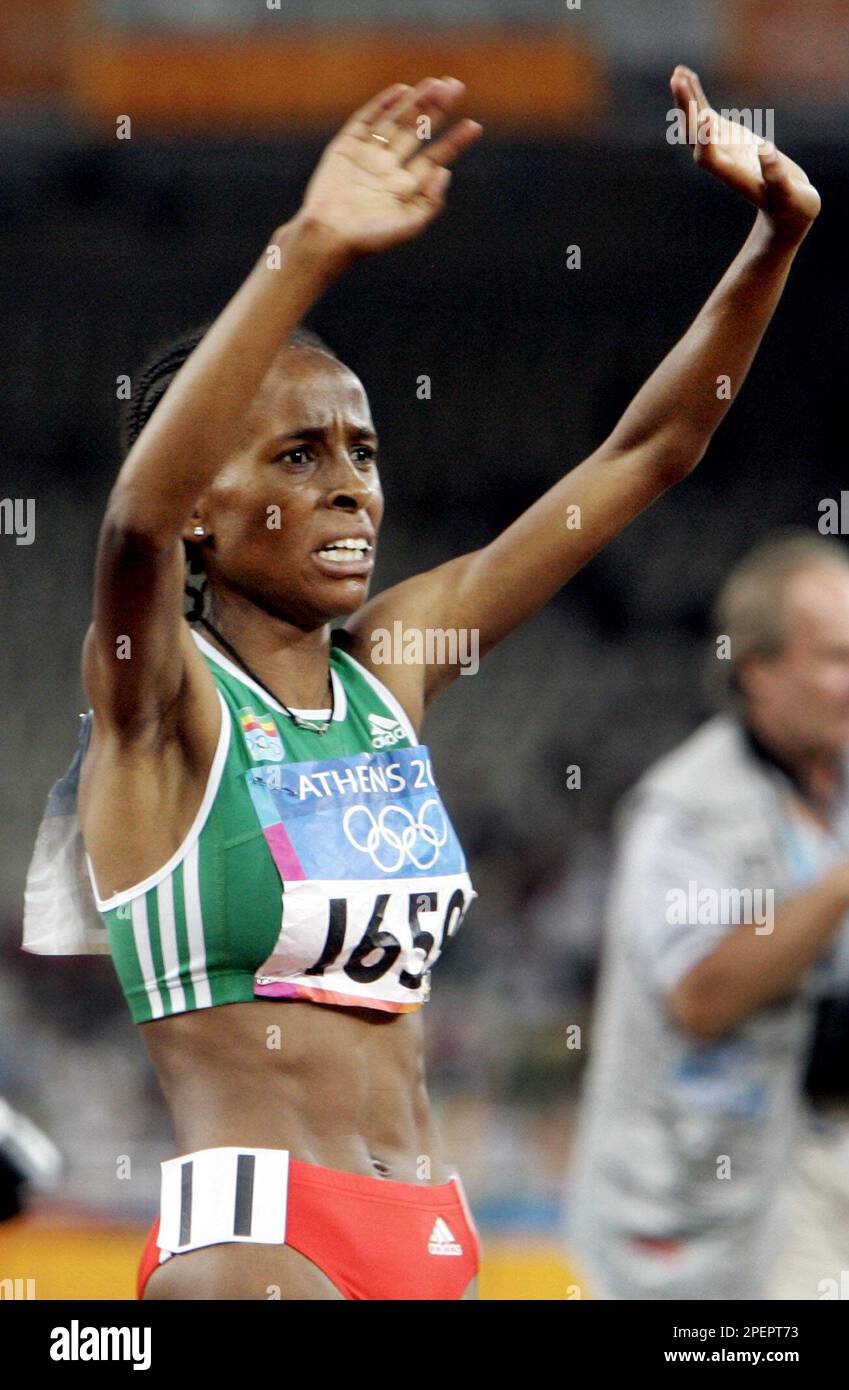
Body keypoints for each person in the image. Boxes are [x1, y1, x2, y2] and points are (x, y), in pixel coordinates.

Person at [22, 68, 820, 1300]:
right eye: (300, 453)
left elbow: (651, 449)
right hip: (258, 1246)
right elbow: (131, 523)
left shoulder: (394, 671)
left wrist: (774, 240)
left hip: (437, 1237)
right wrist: (307, 248)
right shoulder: (163, 709)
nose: (353, 486)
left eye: (365, 451)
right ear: (204, 515)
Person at [566, 533, 849, 1300]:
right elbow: (702, 996)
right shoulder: (686, 809)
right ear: (755, 669)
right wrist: (837, 887)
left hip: (818, 1166)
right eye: (835, 659)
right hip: (700, 1202)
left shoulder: (837, 790)